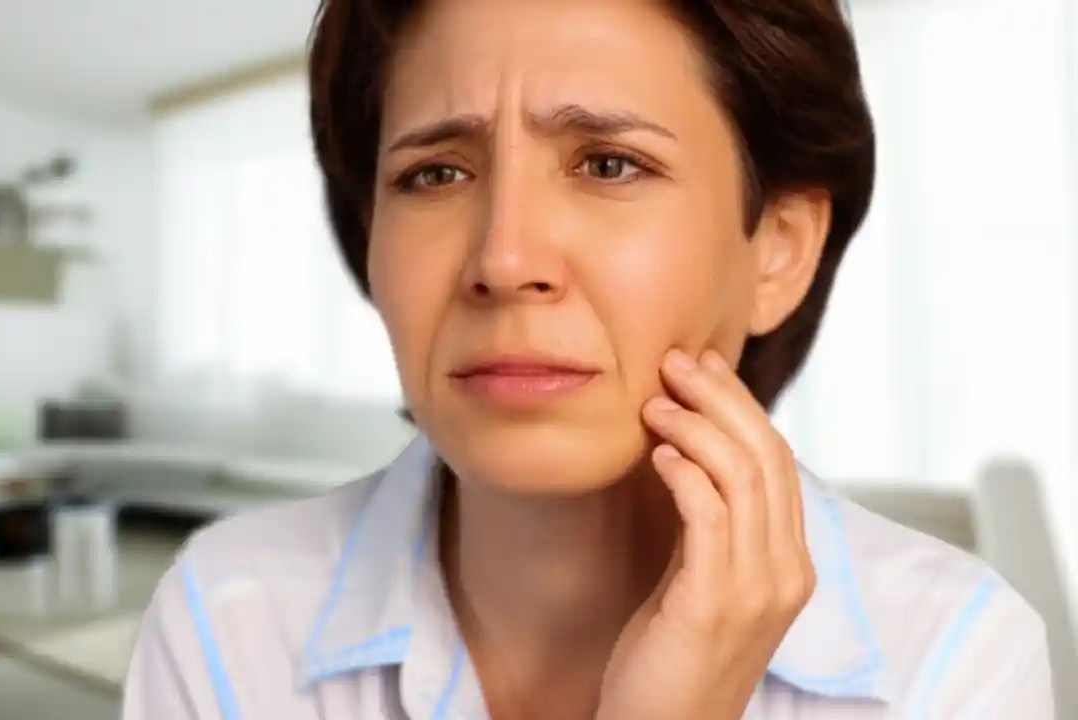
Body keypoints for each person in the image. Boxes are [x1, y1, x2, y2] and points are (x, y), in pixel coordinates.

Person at [122, 0, 1056, 717]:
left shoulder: (954, 659)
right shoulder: (226, 620)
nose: (503, 260)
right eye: (435, 174)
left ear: (778, 249)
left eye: (609, 163)